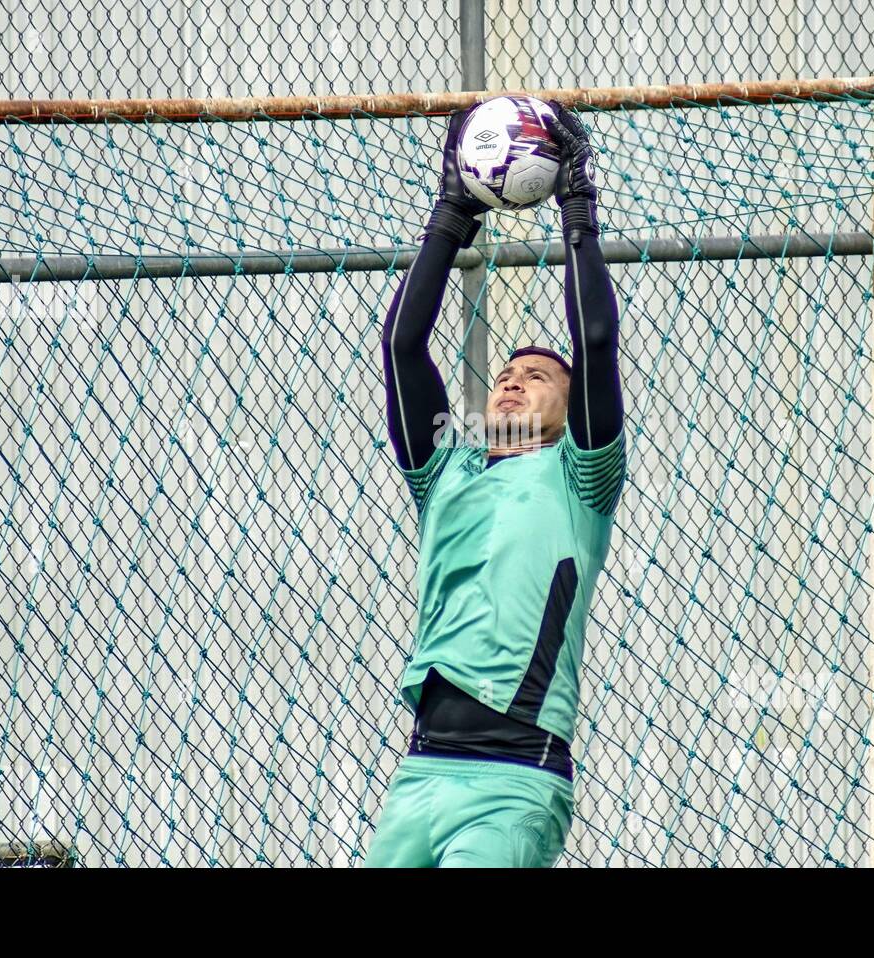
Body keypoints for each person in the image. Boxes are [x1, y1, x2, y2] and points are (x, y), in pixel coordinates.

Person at [366, 101, 625, 868]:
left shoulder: (582, 478)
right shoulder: (447, 467)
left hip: (514, 780)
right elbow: (404, 343)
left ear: (573, 409)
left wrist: (579, 207)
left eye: (538, 377)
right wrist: (452, 212)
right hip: (418, 775)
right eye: (505, 375)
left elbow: (597, 339)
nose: (512, 385)